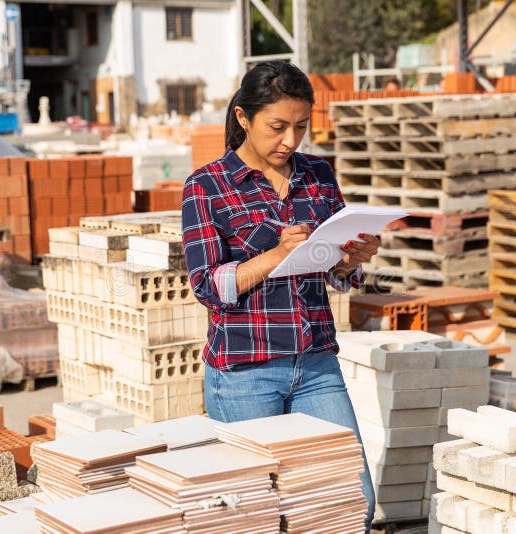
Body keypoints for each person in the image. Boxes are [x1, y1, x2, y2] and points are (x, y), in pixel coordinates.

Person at [181, 60, 380, 531]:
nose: (290, 140)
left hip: (315, 366)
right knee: (266, 519)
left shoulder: (318, 175)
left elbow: (335, 275)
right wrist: (274, 256)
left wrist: (353, 259)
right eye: (277, 127)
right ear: (244, 118)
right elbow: (207, 286)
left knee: (353, 503)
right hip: (245, 373)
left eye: (301, 127)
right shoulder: (207, 186)